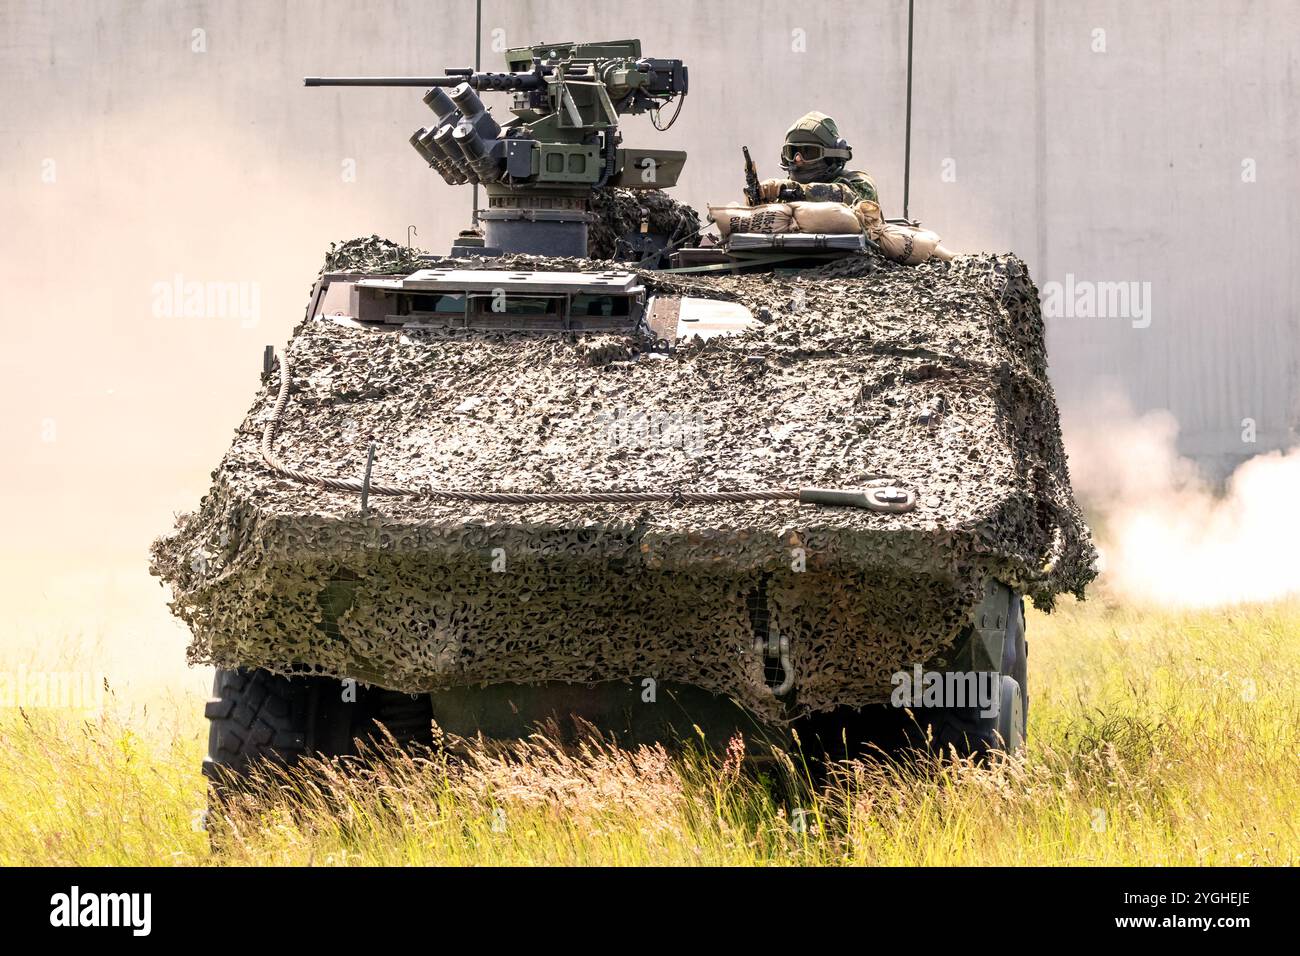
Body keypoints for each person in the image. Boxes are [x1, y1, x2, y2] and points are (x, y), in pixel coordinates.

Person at [755, 111, 879, 205]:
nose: (798, 159)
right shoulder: (780, 192)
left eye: (808, 151)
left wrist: (796, 191)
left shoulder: (860, 183)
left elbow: (851, 197)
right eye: (792, 152)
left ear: (832, 155)